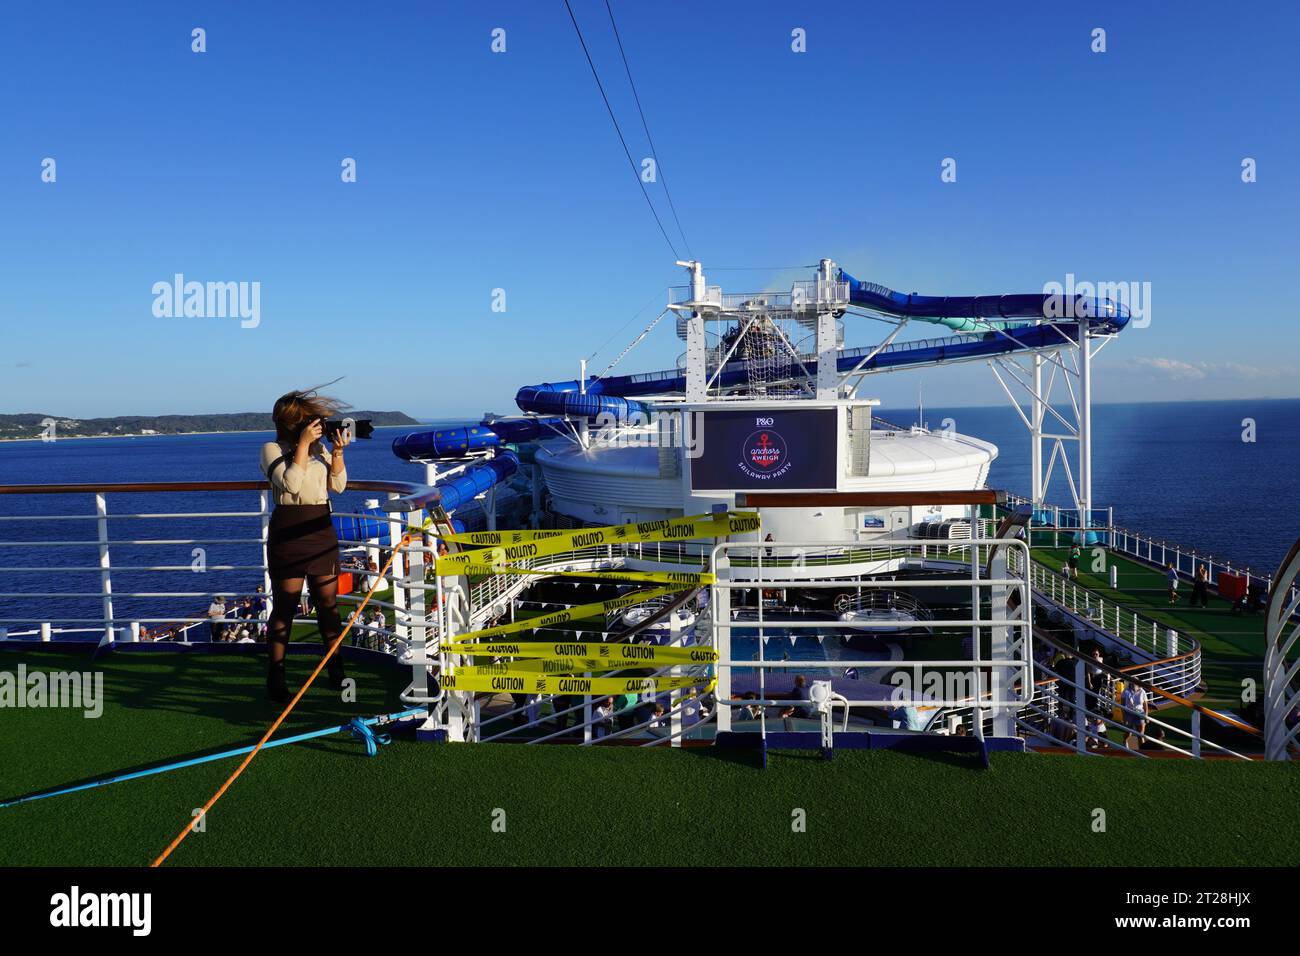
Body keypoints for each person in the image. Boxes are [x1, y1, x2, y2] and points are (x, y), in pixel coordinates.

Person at [260, 386, 352, 702]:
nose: (315, 425)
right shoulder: (271, 449)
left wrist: (336, 453)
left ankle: (336, 670)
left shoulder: (319, 451)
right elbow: (291, 483)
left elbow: (338, 486)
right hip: (288, 531)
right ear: (293, 423)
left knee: (328, 606)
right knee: (285, 606)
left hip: (320, 529)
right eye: (307, 420)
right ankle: (276, 674)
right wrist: (302, 445)